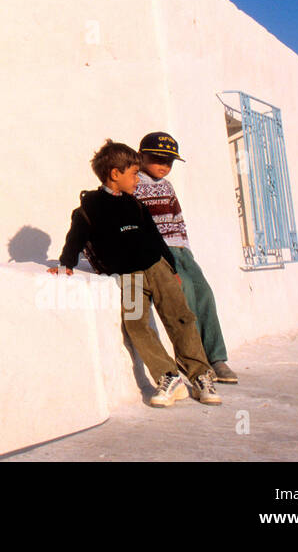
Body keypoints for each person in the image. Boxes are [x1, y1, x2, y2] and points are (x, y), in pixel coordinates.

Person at [48, 139, 221, 407]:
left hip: (157, 268)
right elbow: (74, 240)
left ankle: (200, 375)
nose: (138, 180)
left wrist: (171, 268)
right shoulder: (87, 209)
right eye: (133, 174)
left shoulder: (135, 204)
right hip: (128, 279)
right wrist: (65, 264)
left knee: (181, 318)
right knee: (136, 325)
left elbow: (155, 238)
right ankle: (169, 377)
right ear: (115, 174)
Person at [133, 131, 238, 384]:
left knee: (204, 293)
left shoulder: (167, 186)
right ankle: (196, 359)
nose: (164, 166)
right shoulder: (134, 183)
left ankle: (217, 357)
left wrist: (186, 248)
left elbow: (178, 219)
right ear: (141, 156)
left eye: (169, 162)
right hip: (159, 253)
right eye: (158, 159)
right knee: (186, 294)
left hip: (181, 250)